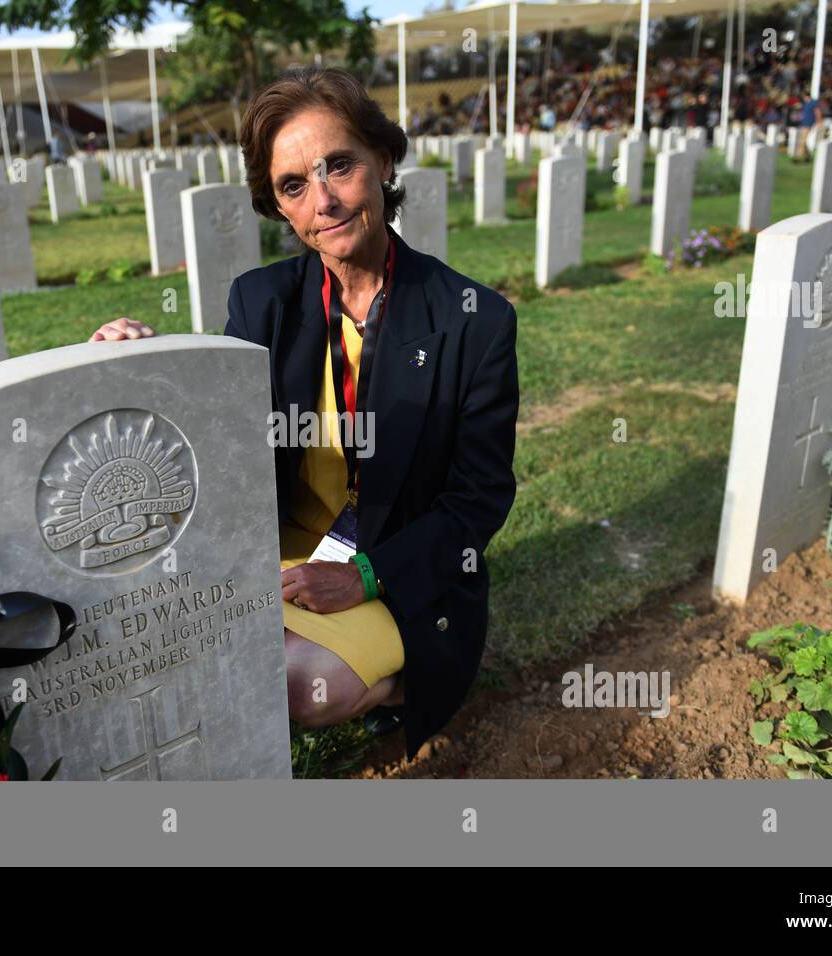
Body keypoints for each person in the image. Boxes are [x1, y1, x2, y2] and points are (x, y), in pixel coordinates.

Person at [89, 67, 519, 759]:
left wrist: (363, 577)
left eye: (339, 166)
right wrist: (146, 367)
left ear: (381, 160)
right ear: (279, 208)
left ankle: (407, 678)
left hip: (395, 566)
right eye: (294, 186)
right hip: (280, 553)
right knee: (178, 641)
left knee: (299, 682)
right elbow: (216, 429)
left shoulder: (475, 321)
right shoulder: (261, 302)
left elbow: (479, 498)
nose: (323, 200)